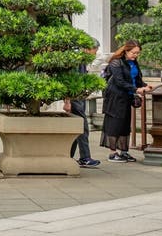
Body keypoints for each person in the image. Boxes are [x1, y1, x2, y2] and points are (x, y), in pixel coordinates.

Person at [100, 40, 152, 163]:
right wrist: (137, 89)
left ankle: (124, 152)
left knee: (124, 125)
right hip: (115, 98)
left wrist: (146, 86)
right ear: (126, 51)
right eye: (133, 53)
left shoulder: (134, 63)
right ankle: (113, 153)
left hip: (127, 97)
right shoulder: (116, 63)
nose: (136, 55)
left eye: (138, 53)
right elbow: (120, 82)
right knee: (114, 125)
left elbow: (137, 79)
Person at [64, 39, 101, 167]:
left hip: (79, 98)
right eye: (94, 52)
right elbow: (70, 82)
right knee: (82, 127)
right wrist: (67, 101)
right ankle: (85, 157)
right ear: (86, 49)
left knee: (76, 128)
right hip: (75, 99)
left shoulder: (82, 62)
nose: (94, 55)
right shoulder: (76, 62)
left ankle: (68, 156)